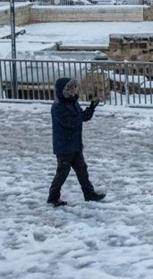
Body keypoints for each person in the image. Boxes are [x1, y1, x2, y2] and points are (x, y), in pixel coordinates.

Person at [47, 77, 106, 207]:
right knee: (62, 172)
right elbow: (71, 122)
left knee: (82, 169)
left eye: (74, 87)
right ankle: (53, 197)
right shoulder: (58, 107)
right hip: (64, 146)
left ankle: (89, 194)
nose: (74, 90)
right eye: (71, 87)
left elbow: (81, 117)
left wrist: (90, 110)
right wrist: (81, 116)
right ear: (65, 90)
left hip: (74, 144)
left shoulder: (72, 102)